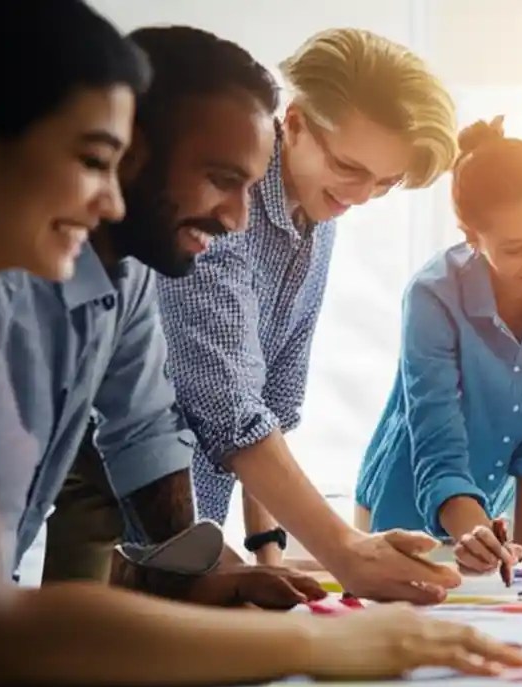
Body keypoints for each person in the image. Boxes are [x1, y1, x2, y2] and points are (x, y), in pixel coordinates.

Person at [0, 1, 522, 687]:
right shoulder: (119, 252)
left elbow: (155, 429)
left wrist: (224, 567)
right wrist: (321, 610)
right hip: (95, 515)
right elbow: (223, 406)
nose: (109, 201)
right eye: (94, 160)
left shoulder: (137, 273)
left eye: (383, 185)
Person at [138, 28, 457, 601]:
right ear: (296, 122)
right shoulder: (222, 204)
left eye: (384, 183)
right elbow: (229, 410)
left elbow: (268, 411)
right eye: (349, 167)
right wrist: (345, 549)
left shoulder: (320, 215)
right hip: (137, 512)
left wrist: (268, 551)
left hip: (198, 530)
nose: (360, 197)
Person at [356, 117, 522, 575]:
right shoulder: (432, 296)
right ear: (472, 239)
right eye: (514, 249)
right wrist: (473, 533)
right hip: (405, 513)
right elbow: (437, 450)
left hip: (488, 520)